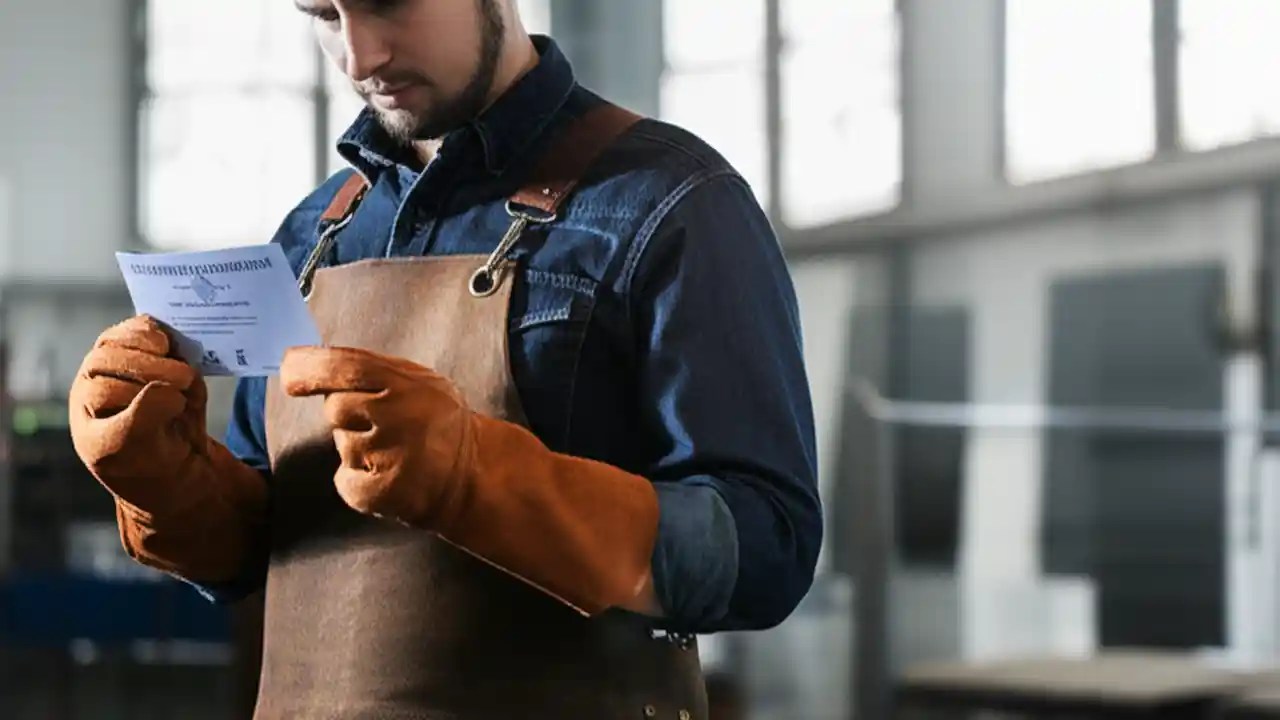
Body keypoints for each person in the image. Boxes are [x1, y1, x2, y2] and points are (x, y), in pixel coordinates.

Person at [67, 0, 822, 716]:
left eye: (388, 3)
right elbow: (264, 546)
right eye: (324, 16)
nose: (360, 56)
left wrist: (484, 479)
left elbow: (767, 549)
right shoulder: (310, 234)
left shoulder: (672, 204)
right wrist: (167, 486)